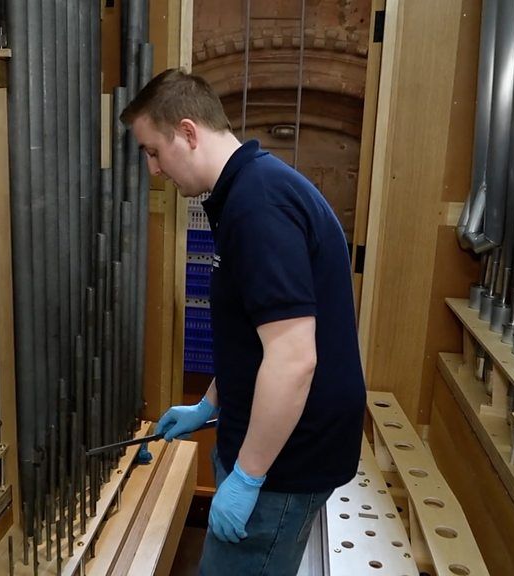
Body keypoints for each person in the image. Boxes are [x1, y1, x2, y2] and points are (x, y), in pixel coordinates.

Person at [121, 68, 366, 575]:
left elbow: (295, 358)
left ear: (187, 133)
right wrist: (209, 403)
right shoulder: (245, 191)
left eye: (152, 151)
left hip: (286, 462)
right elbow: (256, 339)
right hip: (277, 446)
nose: (154, 171)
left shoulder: (258, 206)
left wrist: (248, 477)